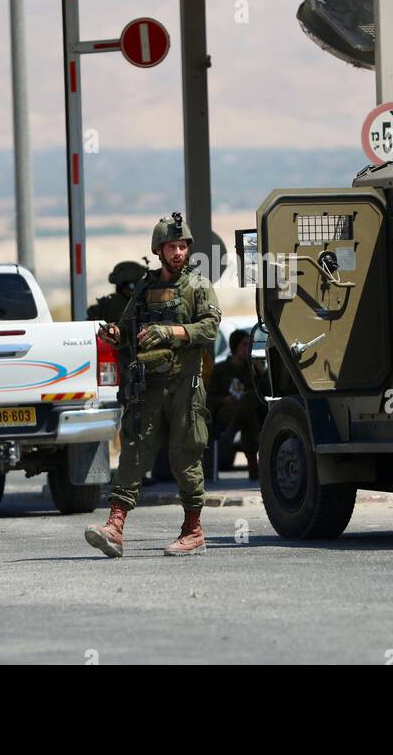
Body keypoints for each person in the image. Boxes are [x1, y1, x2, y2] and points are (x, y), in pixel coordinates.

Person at [84, 213, 221, 558]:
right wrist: (116, 334)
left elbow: (209, 328)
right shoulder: (145, 288)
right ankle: (114, 527)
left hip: (185, 387)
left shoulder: (198, 287)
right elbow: (128, 328)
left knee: (184, 455)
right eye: (172, 246)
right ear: (159, 250)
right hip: (149, 386)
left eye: (183, 246)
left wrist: (171, 332)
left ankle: (193, 531)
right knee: (134, 451)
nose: (178, 252)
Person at [206, 329, 266, 479]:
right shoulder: (220, 369)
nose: (248, 349)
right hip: (227, 410)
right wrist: (223, 400)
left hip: (251, 411)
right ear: (235, 346)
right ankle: (253, 465)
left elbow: (265, 392)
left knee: (250, 402)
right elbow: (210, 397)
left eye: (250, 345)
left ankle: (232, 431)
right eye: (244, 345)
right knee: (248, 415)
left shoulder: (252, 368)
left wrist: (261, 372)